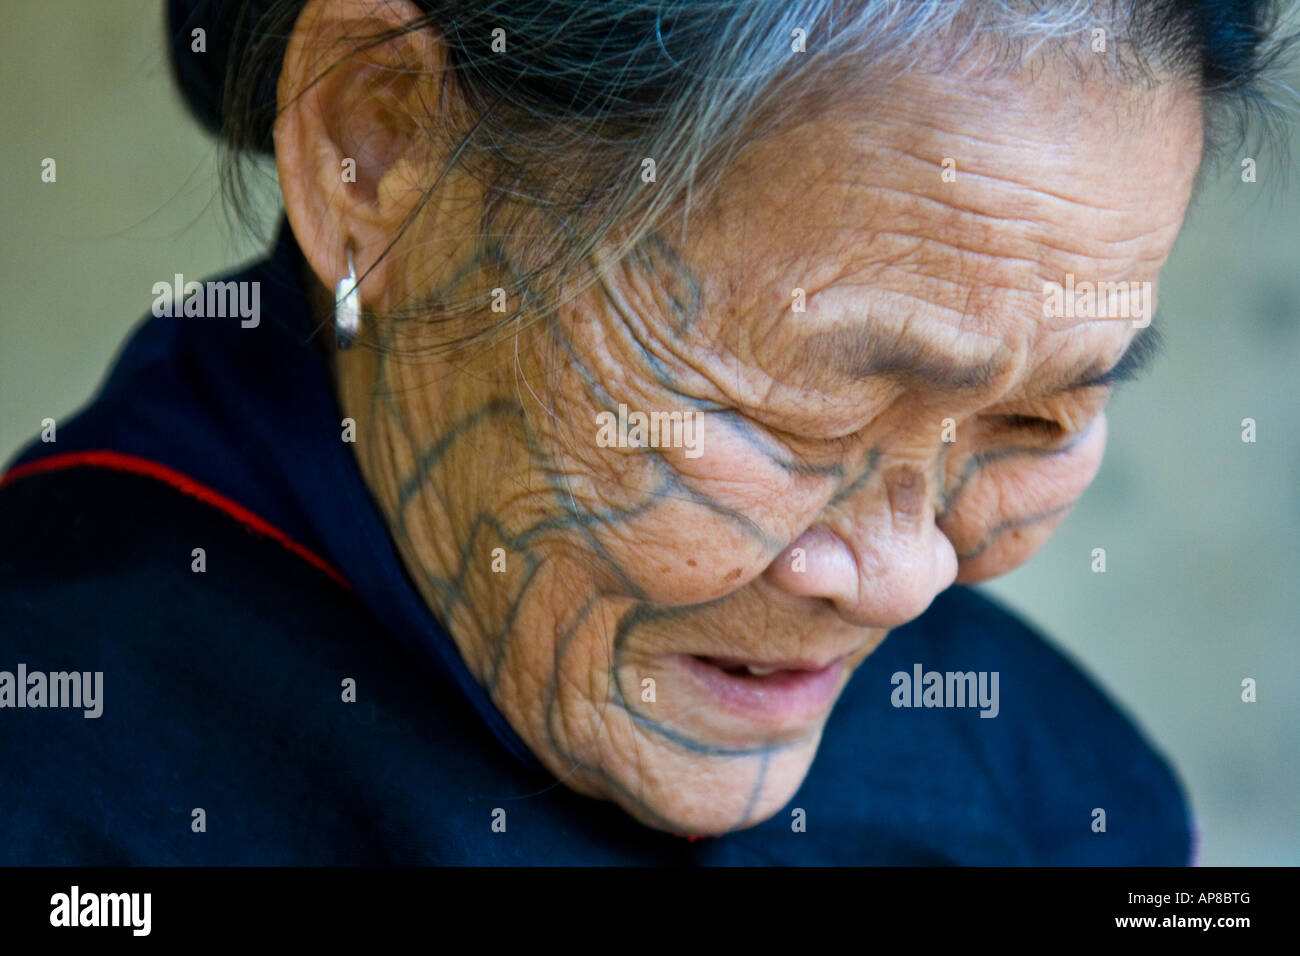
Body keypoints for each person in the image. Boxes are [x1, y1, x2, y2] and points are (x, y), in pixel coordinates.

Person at [1, 0, 1288, 864]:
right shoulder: (61, 776)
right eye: (798, 408)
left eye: (1038, 414)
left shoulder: (1058, 792)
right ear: (377, 147)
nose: (906, 579)